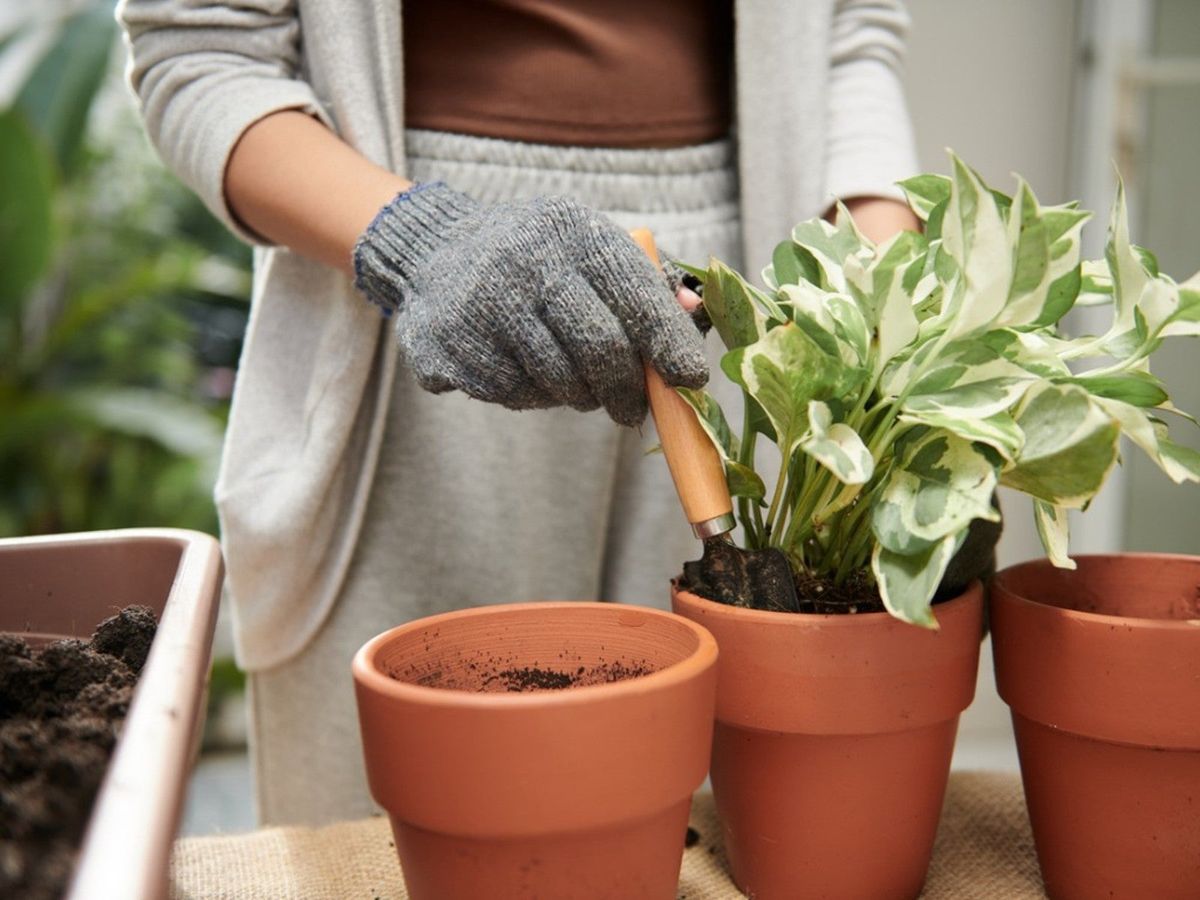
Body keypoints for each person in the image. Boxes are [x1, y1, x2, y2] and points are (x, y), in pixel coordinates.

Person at [117, 0, 922, 825]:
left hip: (738, 296)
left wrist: (891, 321)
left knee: (705, 849)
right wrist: (421, 240)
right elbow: (203, 54)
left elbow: (848, 41)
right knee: (401, 837)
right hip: (404, 302)